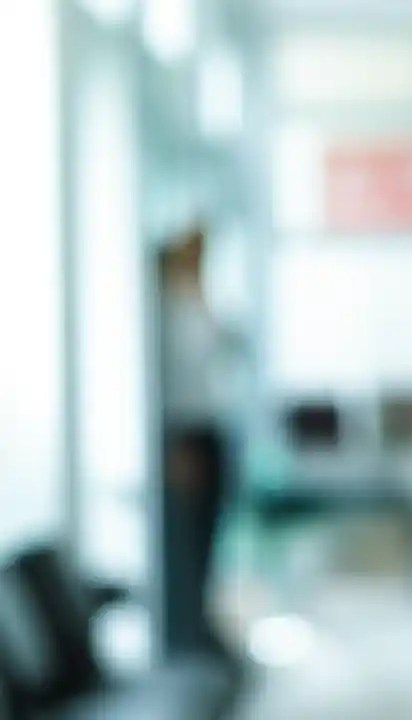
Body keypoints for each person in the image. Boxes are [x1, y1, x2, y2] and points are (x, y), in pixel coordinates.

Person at [158, 221, 239, 664]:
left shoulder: (196, 299)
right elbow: (169, 379)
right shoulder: (163, 306)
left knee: (211, 531)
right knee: (186, 536)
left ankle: (204, 623)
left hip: (209, 425)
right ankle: (187, 635)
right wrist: (171, 444)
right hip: (183, 433)